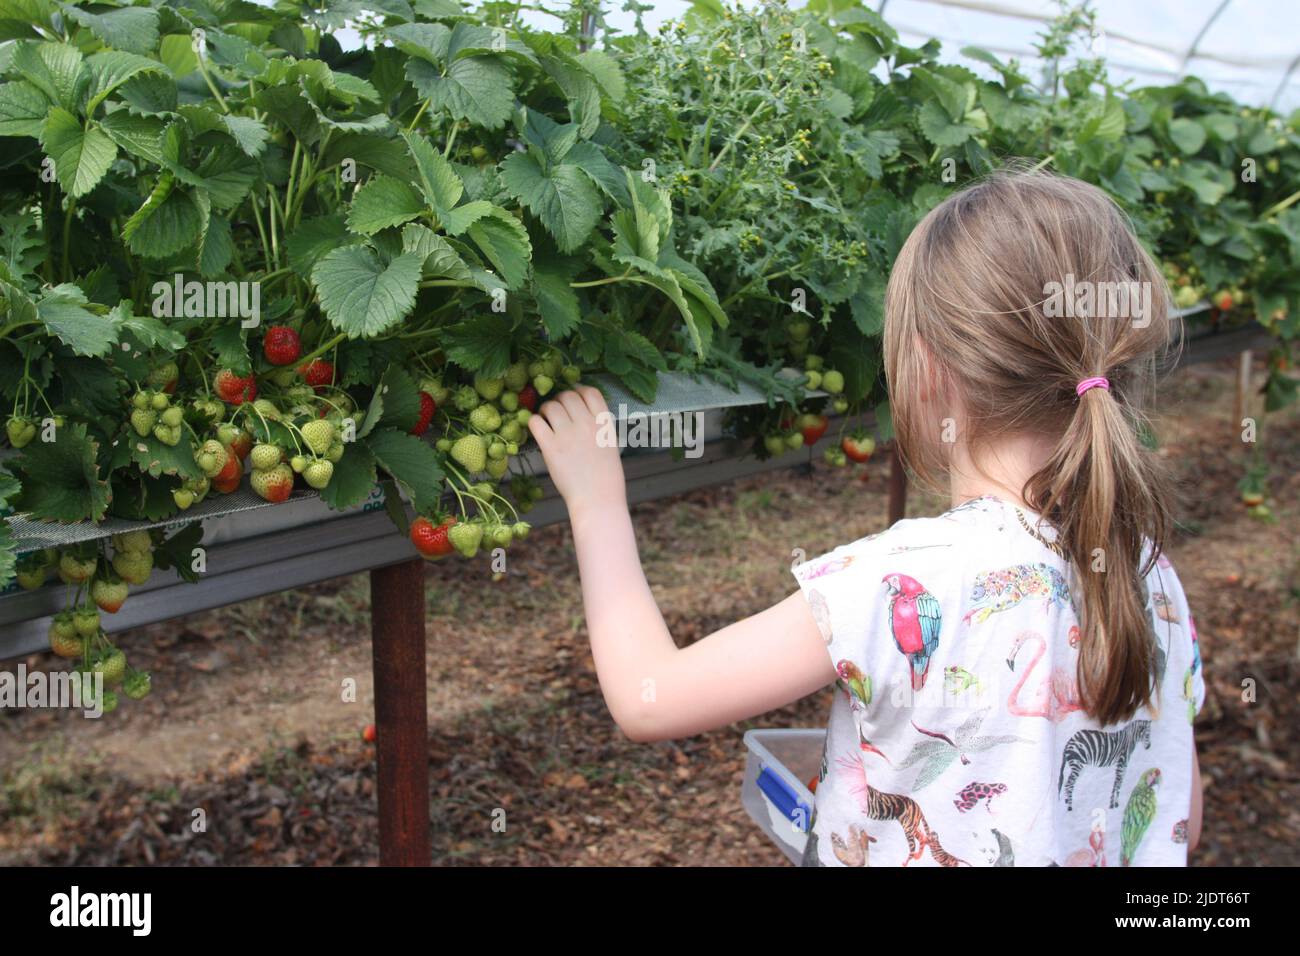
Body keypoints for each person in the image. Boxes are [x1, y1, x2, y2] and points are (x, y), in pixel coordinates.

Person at [526, 168, 1204, 867]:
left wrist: (596, 501)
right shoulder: (1147, 573)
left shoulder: (902, 582)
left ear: (927, 368)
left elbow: (651, 699)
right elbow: (1172, 814)